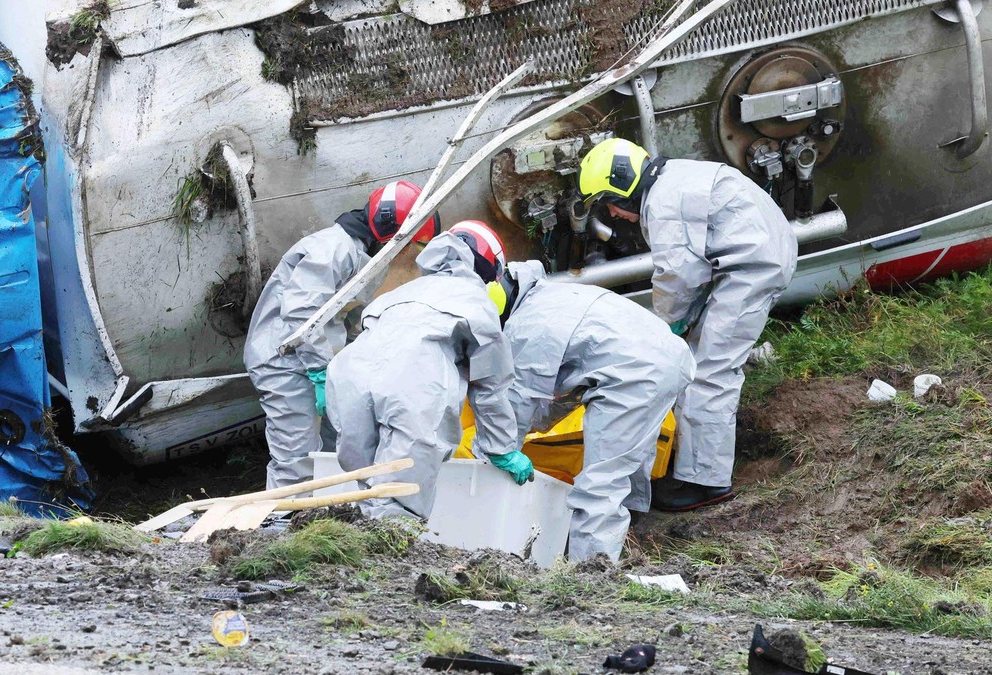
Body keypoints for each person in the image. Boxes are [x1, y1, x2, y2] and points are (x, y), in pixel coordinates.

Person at [577, 138, 798, 511]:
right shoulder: (671, 179)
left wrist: (660, 331)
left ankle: (705, 482)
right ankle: (692, 454)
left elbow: (678, 278)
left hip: (752, 266)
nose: (613, 215)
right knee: (696, 355)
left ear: (624, 188)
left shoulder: (663, 205)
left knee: (709, 371)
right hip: (751, 253)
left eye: (610, 203)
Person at [325, 222, 532, 519]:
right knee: (398, 502)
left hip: (350, 375)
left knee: (367, 486)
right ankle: (389, 562)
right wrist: (501, 448)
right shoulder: (476, 303)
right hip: (415, 383)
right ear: (488, 268)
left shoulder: (402, 292)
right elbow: (490, 387)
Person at [243, 181, 439, 489]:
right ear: (394, 236)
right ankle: (279, 526)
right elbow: (301, 314)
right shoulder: (334, 249)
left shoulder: (362, 254)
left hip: (314, 362)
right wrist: (320, 371)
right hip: (285, 361)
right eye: (412, 244)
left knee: (339, 449)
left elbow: (343, 316)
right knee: (298, 459)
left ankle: (324, 522)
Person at [499, 260, 694, 561]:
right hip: (665, 357)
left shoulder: (525, 327)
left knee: (602, 481)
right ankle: (629, 538)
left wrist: (498, 450)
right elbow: (555, 395)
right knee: (628, 460)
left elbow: (522, 400)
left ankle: (591, 573)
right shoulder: (551, 296)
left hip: (635, 374)